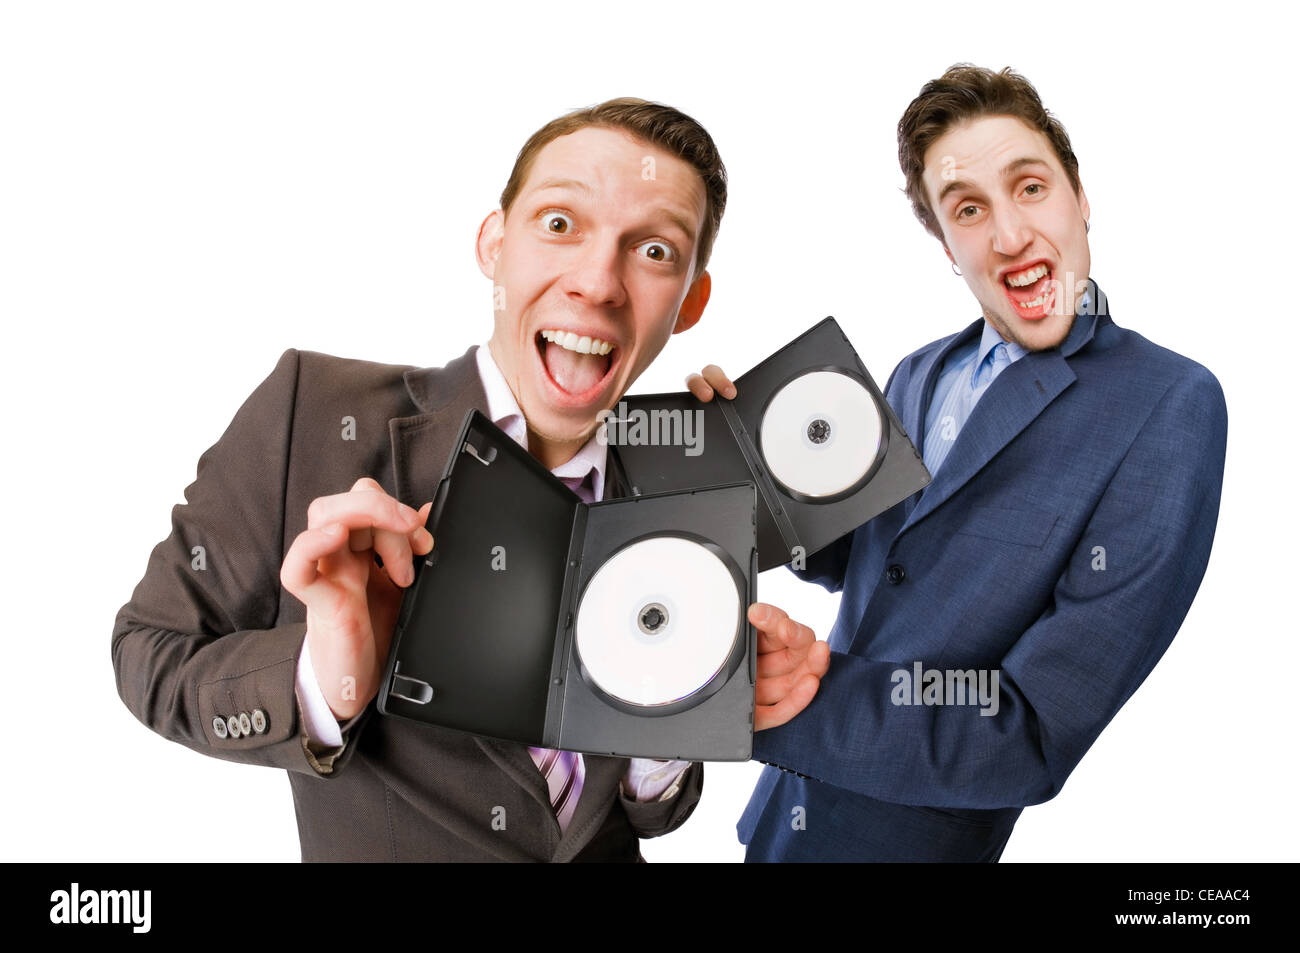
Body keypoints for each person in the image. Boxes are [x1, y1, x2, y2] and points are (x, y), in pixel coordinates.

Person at [112, 97, 829, 862]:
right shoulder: (313, 412)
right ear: (493, 243)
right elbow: (148, 654)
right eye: (560, 223)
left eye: (654, 251)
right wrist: (324, 674)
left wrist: (678, 713)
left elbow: (648, 813)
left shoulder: (692, 490)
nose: (598, 282)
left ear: (689, 301)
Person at [688, 66, 1228, 861]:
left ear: (1081, 195)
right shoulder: (918, 371)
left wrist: (796, 699)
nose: (1008, 236)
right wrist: (730, 461)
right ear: (945, 243)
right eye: (969, 209)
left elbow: (1033, 728)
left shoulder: (1170, 405)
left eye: (1031, 187)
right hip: (779, 821)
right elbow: (862, 553)